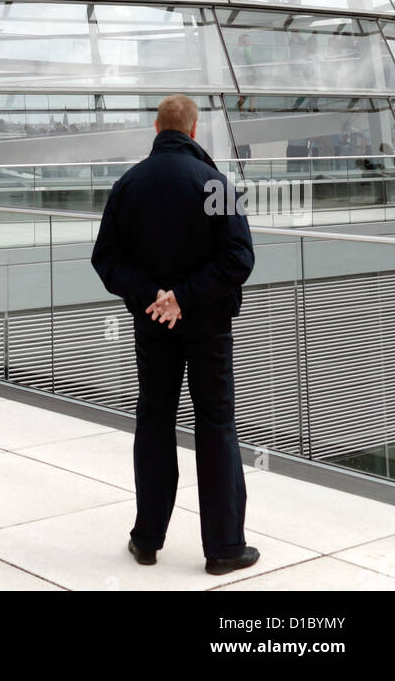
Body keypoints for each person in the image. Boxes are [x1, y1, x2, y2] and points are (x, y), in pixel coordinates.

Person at [91, 93, 257, 577]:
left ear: (156, 127)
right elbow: (239, 259)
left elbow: (106, 260)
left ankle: (146, 540)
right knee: (216, 426)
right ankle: (225, 548)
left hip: (152, 325)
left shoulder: (129, 184)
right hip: (208, 326)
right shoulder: (216, 183)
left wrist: (155, 296)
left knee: (155, 421)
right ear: (193, 129)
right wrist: (184, 296)